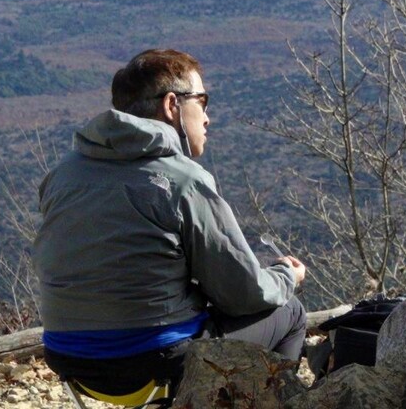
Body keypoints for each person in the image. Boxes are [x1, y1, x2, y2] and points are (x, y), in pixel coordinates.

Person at [36, 48, 309, 398]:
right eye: (202, 101)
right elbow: (243, 295)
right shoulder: (182, 180)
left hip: (68, 361)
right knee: (289, 312)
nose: (208, 118)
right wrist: (286, 276)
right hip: (156, 364)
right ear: (171, 105)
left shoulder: (62, 175)